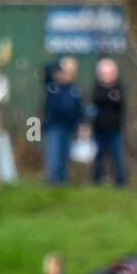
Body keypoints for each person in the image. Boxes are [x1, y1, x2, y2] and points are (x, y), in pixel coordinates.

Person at [42, 57, 84, 185]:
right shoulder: (51, 86)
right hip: (53, 127)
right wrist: (61, 64)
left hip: (69, 127)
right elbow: (46, 69)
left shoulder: (75, 90)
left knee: (64, 157)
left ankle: (61, 184)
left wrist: (81, 125)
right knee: (53, 156)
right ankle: (51, 182)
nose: (65, 75)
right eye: (63, 71)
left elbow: (79, 109)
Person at [89, 57, 126, 186]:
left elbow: (119, 104)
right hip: (99, 129)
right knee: (99, 157)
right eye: (104, 73)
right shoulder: (97, 87)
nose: (107, 76)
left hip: (115, 129)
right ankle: (96, 180)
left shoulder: (119, 86)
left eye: (110, 73)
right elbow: (98, 99)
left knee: (118, 157)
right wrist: (109, 97)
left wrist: (109, 98)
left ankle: (121, 182)